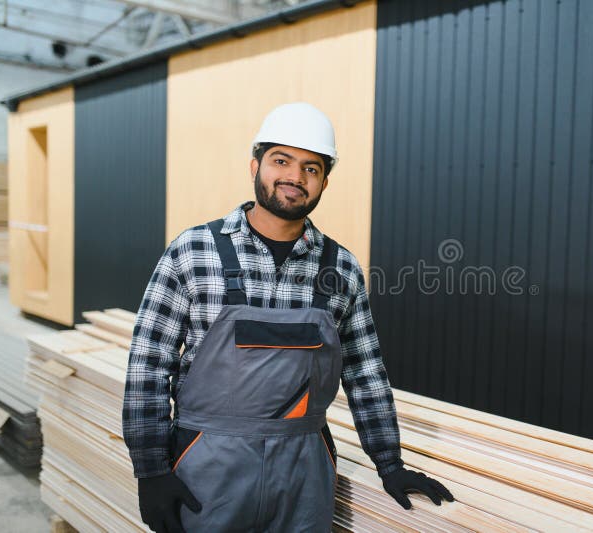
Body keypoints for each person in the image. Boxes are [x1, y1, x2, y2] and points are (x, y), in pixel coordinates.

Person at [122, 102, 454, 532]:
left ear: (324, 182)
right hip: (206, 465)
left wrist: (389, 463)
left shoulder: (341, 269)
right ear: (255, 165)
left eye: (311, 168)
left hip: (304, 471)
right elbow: (148, 365)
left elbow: (365, 373)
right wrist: (151, 472)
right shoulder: (193, 251)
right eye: (282, 161)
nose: (295, 177)